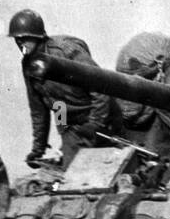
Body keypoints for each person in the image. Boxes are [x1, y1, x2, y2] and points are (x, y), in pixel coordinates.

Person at [8, 9, 113, 166]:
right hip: (69, 122)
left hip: (99, 117)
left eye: (24, 38)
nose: (20, 42)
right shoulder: (28, 66)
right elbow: (39, 109)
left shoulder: (65, 51)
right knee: (71, 171)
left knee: (106, 167)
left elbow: (100, 86)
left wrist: (95, 124)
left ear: (37, 36)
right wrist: (38, 149)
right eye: (17, 39)